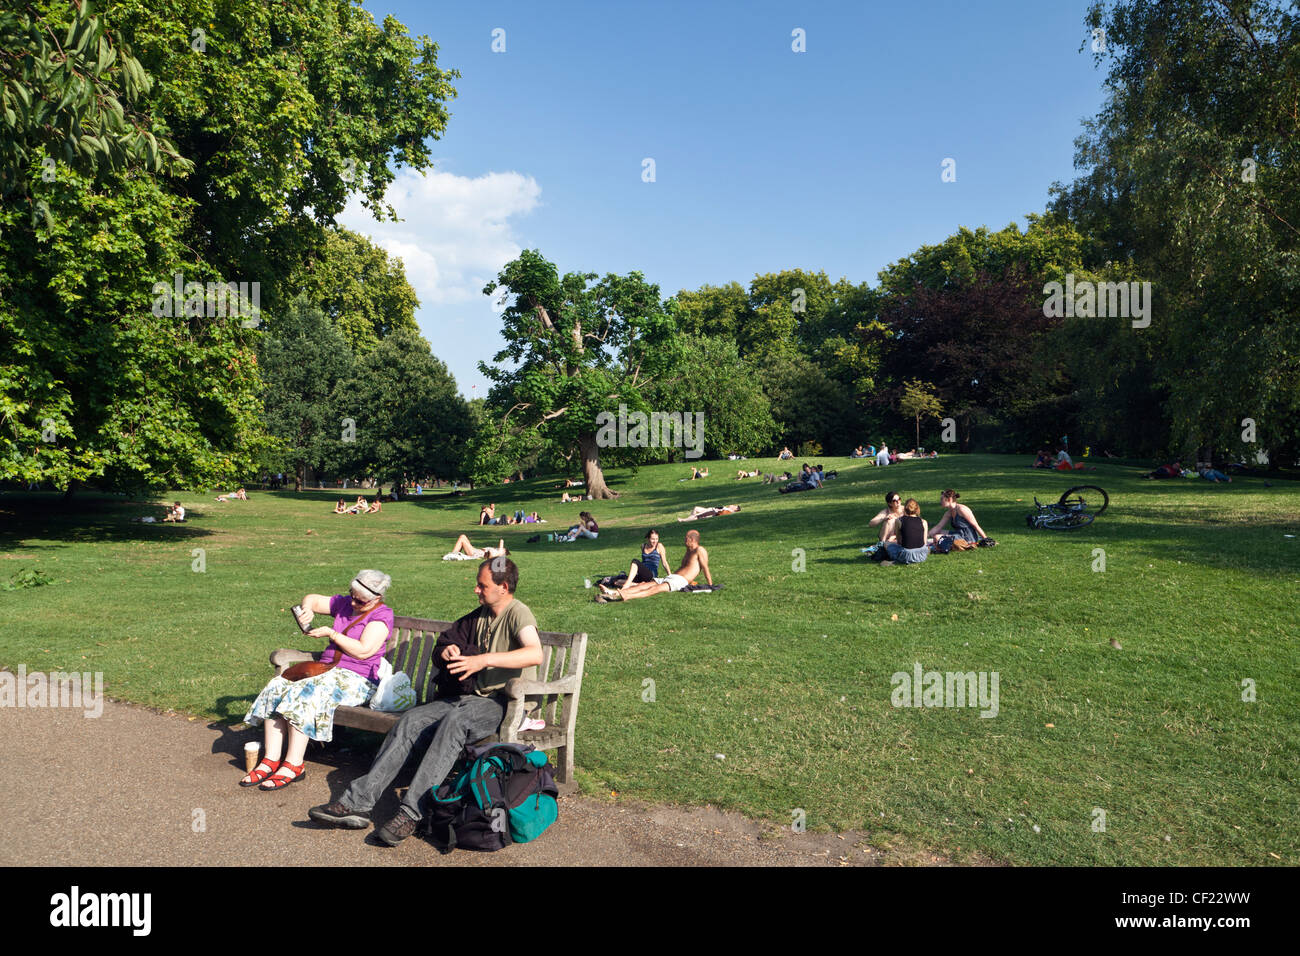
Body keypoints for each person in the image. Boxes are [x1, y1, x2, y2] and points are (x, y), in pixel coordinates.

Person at [309, 558, 543, 844]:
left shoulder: (519, 613)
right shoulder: (479, 615)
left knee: (455, 723)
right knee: (411, 720)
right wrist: (447, 651)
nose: (476, 590)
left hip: (500, 703)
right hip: (466, 698)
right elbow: (445, 642)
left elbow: (534, 653)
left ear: (503, 587)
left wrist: (482, 660)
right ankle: (357, 802)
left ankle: (412, 812)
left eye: (482, 585)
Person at [241, 571, 395, 790]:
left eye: (359, 601)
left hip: (357, 679)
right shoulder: (344, 604)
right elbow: (312, 599)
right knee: (278, 685)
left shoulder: (382, 616)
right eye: (351, 595)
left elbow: (363, 651)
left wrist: (332, 634)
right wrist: (306, 611)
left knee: (306, 691)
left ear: (376, 598)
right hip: (325, 672)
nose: (352, 602)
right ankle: (271, 759)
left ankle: (294, 764)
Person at [599, 529, 712, 601]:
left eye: (685, 538)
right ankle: (612, 592)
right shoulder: (688, 551)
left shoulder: (700, 550)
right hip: (672, 578)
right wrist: (670, 575)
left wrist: (710, 585)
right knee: (642, 585)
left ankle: (627, 595)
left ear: (692, 539)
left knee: (655, 589)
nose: (684, 540)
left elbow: (705, 568)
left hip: (679, 581)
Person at [927, 489, 992, 547]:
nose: (940, 501)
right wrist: (926, 536)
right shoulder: (949, 512)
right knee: (936, 532)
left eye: (942, 499)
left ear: (949, 499)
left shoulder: (962, 509)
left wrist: (985, 539)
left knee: (937, 537)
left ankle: (937, 545)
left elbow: (975, 525)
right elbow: (939, 526)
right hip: (958, 534)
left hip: (968, 538)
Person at [885, 499, 929, 564]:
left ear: (905, 509)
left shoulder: (899, 521)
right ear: (917, 509)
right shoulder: (923, 522)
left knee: (886, 544)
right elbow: (924, 542)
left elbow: (899, 541)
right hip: (922, 556)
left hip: (906, 556)